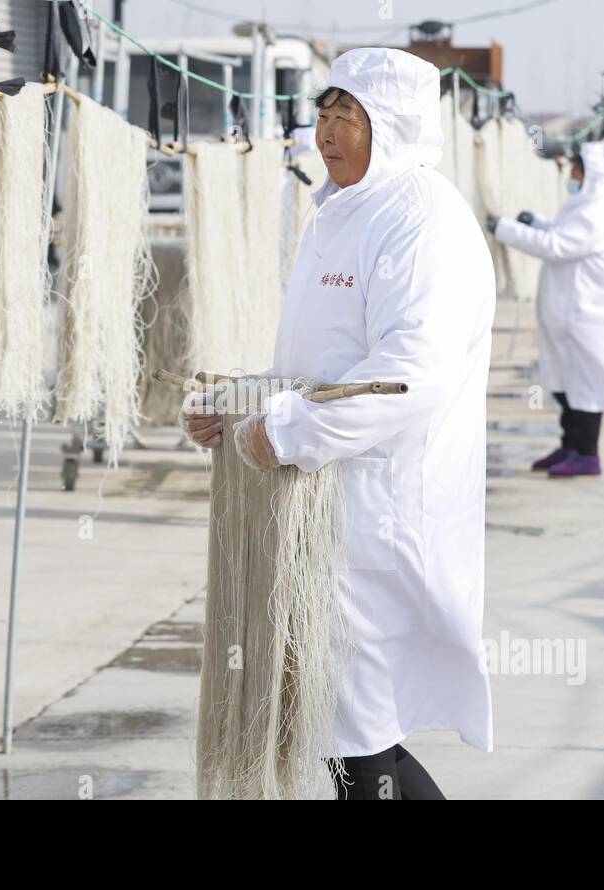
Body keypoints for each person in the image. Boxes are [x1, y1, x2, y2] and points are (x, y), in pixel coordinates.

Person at [181, 47, 497, 800]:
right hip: (328, 511)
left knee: (354, 738)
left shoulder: (422, 221)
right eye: (321, 113)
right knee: (351, 735)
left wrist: (285, 431)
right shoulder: (340, 212)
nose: (325, 131)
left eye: (345, 114)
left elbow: (408, 374)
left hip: (378, 519)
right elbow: (318, 364)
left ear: (388, 124)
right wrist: (240, 405)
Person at [487, 141, 604, 478]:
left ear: (590, 173)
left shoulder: (595, 212)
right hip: (573, 315)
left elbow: (556, 246)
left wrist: (507, 229)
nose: (570, 173)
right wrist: (536, 221)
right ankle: (570, 445)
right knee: (567, 382)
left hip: (590, 318)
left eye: (576, 168)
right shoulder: (585, 205)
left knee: (587, 387)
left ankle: (587, 454)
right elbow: (559, 232)